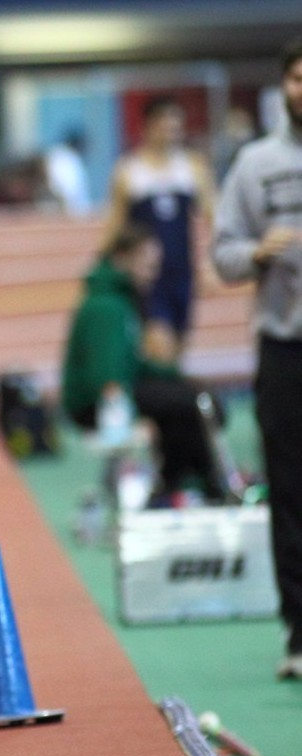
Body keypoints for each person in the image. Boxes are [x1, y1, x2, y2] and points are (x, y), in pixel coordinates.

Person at [211, 37, 302, 680]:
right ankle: (300, 634)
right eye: (299, 78)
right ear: (283, 86)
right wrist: (257, 254)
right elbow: (222, 255)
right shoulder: (254, 164)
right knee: (292, 494)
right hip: (285, 347)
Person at [62, 224, 225, 503]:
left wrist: (173, 376)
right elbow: (106, 376)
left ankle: (179, 480)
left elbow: (131, 364)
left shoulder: (122, 299)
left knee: (190, 396)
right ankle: (196, 483)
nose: (153, 274)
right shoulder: (107, 307)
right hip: (96, 403)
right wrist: (120, 417)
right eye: (147, 266)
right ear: (122, 258)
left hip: (114, 390)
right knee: (191, 403)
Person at [102, 96, 218, 345]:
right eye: (164, 127)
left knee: (179, 344)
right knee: (157, 344)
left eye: (176, 128)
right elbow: (115, 224)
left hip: (181, 270)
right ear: (147, 127)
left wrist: (209, 262)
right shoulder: (129, 171)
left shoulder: (193, 167)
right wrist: (106, 265)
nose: (171, 134)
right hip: (146, 274)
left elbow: (213, 217)